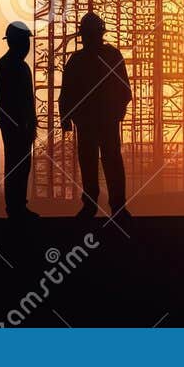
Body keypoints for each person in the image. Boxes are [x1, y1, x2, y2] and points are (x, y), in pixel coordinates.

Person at [58, 11, 131, 220]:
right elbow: (125, 91)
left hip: (93, 122)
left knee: (97, 161)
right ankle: (113, 207)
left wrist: (67, 117)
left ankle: (104, 206)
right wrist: (116, 113)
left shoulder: (80, 60)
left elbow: (124, 91)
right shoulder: (109, 56)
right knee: (105, 161)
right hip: (98, 122)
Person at [0, 21, 38, 220]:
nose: (28, 46)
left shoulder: (8, 66)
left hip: (19, 126)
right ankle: (15, 207)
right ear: (17, 43)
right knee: (16, 164)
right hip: (16, 127)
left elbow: (27, 100)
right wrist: (23, 124)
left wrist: (31, 123)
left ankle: (17, 206)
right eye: (25, 41)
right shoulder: (12, 67)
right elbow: (13, 100)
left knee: (19, 164)